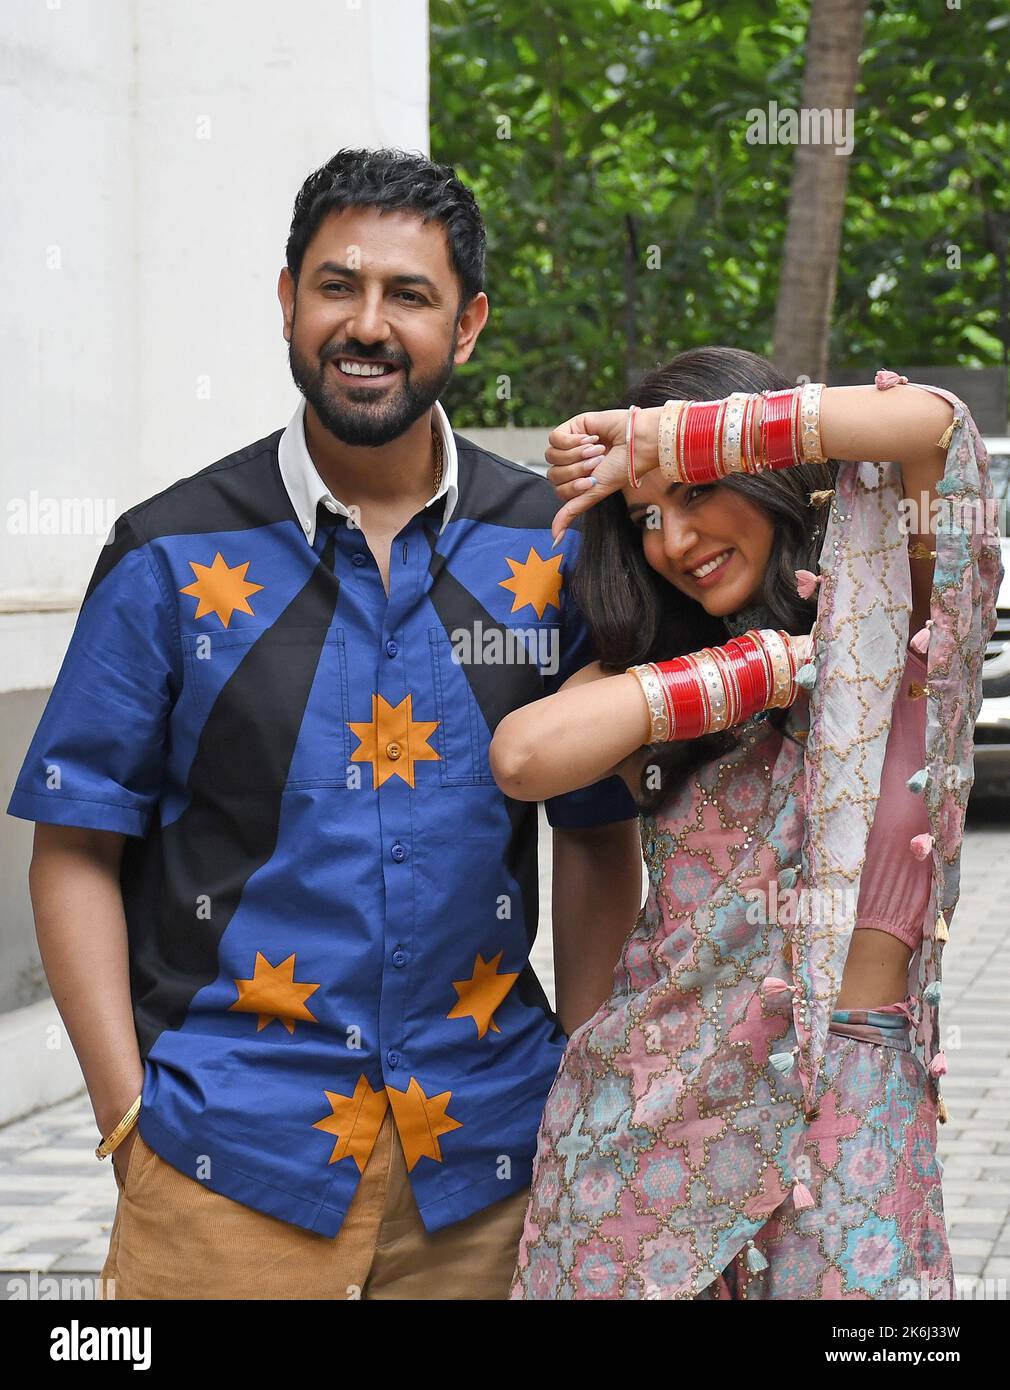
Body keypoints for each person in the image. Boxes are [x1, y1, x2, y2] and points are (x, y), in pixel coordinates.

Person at [6, 148, 642, 1301]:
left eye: (409, 294)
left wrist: (586, 1094)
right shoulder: (166, 552)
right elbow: (75, 846)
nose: (367, 322)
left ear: (470, 324)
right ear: (287, 299)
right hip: (220, 1161)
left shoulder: (550, 551)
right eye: (336, 285)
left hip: (488, 1164)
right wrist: (121, 1119)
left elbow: (596, 832)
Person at [491, 346, 1003, 1299]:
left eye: (693, 494)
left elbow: (934, 427)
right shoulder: (669, 670)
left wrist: (659, 438)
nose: (673, 541)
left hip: (849, 1133)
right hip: (646, 1149)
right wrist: (763, 668)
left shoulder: (898, 637)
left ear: (773, 479)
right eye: (646, 516)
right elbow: (525, 757)